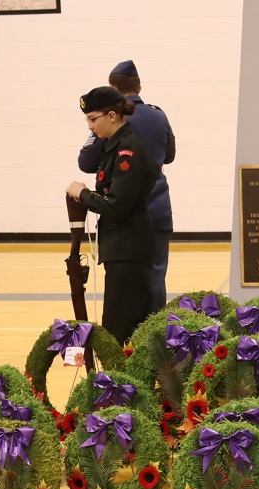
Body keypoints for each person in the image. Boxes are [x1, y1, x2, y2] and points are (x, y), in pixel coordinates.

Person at [78, 60, 176, 314]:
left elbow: (85, 162)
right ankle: (156, 344)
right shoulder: (158, 115)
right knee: (155, 282)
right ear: (139, 86)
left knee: (124, 297)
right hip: (158, 209)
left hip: (125, 217)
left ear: (113, 88)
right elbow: (170, 156)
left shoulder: (109, 122)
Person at [66, 87, 157, 347]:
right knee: (123, 327)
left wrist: (84, 195)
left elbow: (117, 205)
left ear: (113, 116)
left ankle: (121, 386)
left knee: (121, 331)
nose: (90, 126)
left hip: (129, 249)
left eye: (93, 119)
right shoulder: (113, 146)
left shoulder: (127, 149)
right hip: (123, 249)